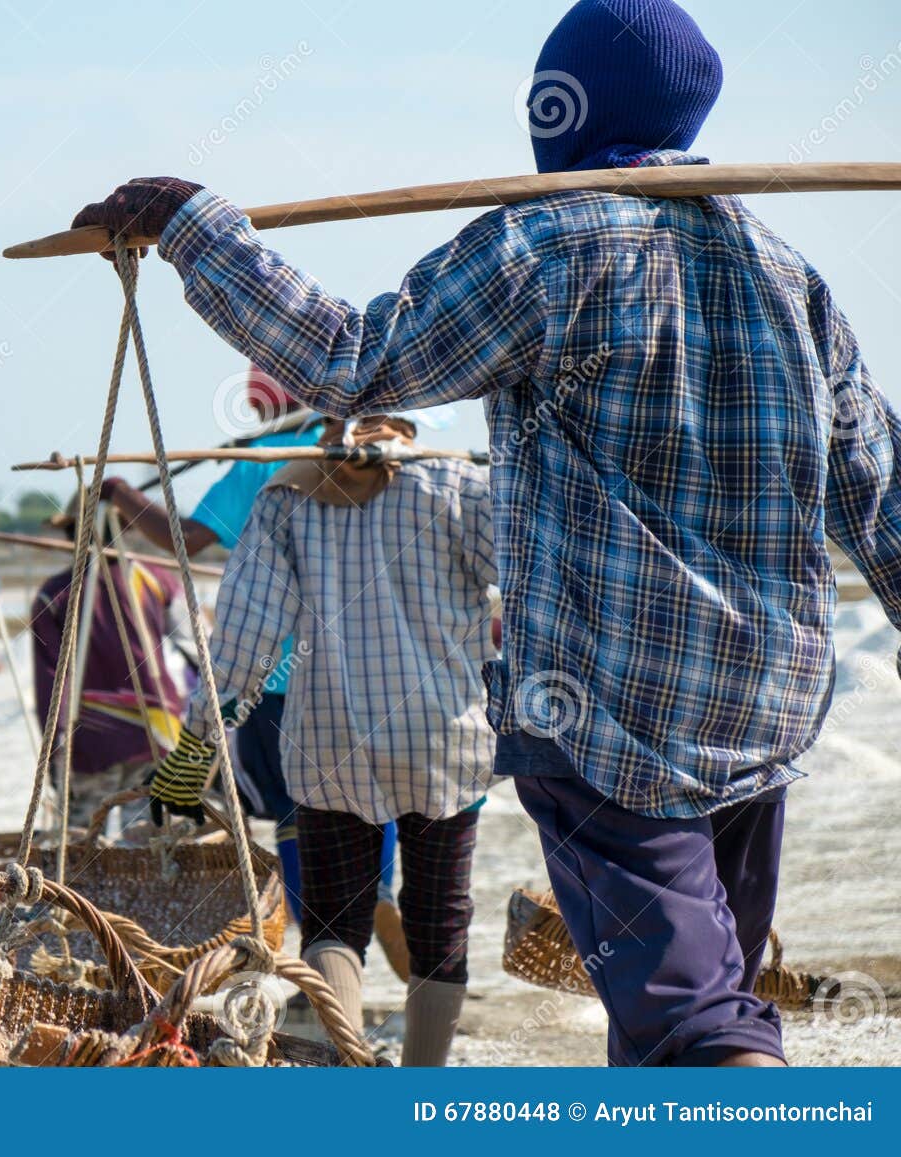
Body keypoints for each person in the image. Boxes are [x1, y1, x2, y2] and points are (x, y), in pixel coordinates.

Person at [73, 0, 901, 1067]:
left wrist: (191, 222)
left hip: (604, 716)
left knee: (697, 1031)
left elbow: (347, 354)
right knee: (705, 999)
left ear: (561, 112)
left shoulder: (548, 244)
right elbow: (879, 495)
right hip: (758, 706)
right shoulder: (792, 278)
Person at [147, 414, 496, 1064]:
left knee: (335, 922)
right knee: (439, 920)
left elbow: (242, 642)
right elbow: (536, 587)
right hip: (445, 741)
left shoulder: (286, 494)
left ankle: (352, 1072)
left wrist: (194, 745)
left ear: (329, 426)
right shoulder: (460, 484)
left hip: (328, 742)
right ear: (404, 424)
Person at [100, 365, 337, 918]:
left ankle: (320, 938)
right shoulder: (360, 453)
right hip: (364, 676)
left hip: (278, 683)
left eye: (258, 411)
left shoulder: (264, 461)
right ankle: (372, 904)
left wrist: (120, 496)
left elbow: (190, 538)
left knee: (293, 817)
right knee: (370, 809)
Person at [30, 511, 186, 824]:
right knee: (148, 835)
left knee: (81, 834)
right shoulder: (159, 580)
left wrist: (55, 742)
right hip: (157, 727)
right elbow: (199, 646)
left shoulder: (55, 594)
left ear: (73, 535)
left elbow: (50, 681)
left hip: (89, 734)